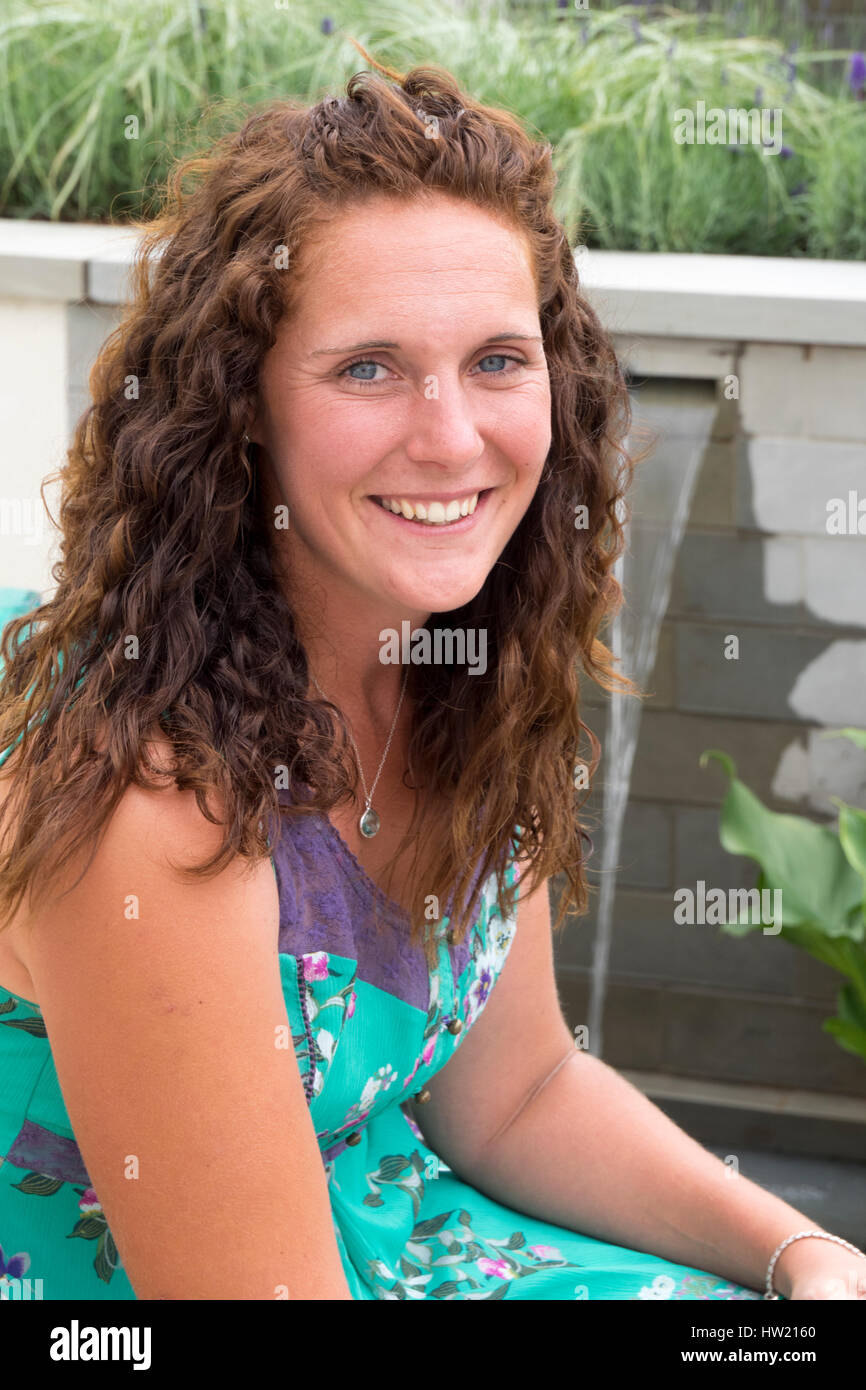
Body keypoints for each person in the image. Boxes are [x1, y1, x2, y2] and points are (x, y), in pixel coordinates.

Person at [0, 50, 863, 1303]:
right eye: (368, 368)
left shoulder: (455, 665)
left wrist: (803, 1252)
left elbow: (514, 1092)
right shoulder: (145, 793)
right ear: (241, 407)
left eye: (497, 362)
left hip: (385, 1221)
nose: (452, 438)